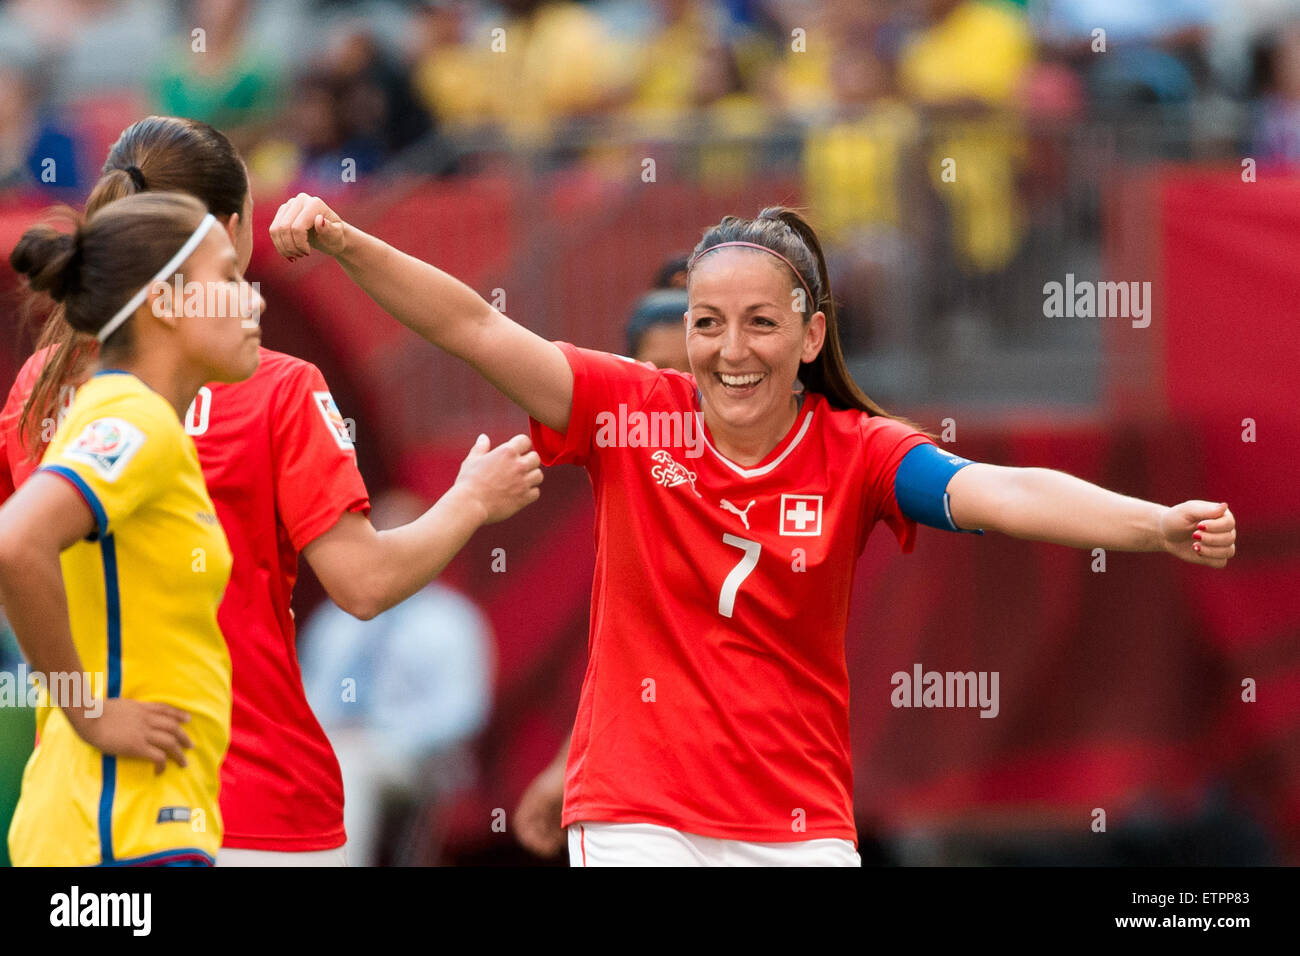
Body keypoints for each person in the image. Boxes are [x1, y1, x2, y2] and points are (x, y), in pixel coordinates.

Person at [268, 196, 1237, 866]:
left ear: (810, 335)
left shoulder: (859, 452)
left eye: (760, 324)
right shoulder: (628, 409)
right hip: (638, 809)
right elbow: (476, 327)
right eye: (707, 322)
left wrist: (1151, 523)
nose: (730, 350)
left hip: (797, 816)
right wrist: (350, 243)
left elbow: (1001, 491)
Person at [0, 116, 543, 866]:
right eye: (230, 276)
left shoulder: (40, 388)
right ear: (220, 236)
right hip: (232, 805)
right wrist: (472, 500)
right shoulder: (237, 397)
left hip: (84, 806)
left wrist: (73, 701)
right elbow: (364, 580)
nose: (252, 299)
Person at [0, 191, 259, 865]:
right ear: (165, 302)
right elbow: (14, 543)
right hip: (118, 836)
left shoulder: (140, 418)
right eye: (228, 278)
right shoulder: (133, 419)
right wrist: (88, 711)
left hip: (129, 829)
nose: (252, 299)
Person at [300, 488, 494, 867]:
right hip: (332, 749)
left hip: (416, 757)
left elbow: (465, 710)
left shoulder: (453, 620)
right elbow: (306, 694)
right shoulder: (335, 620)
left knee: (352, 766)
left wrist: (381, 734)